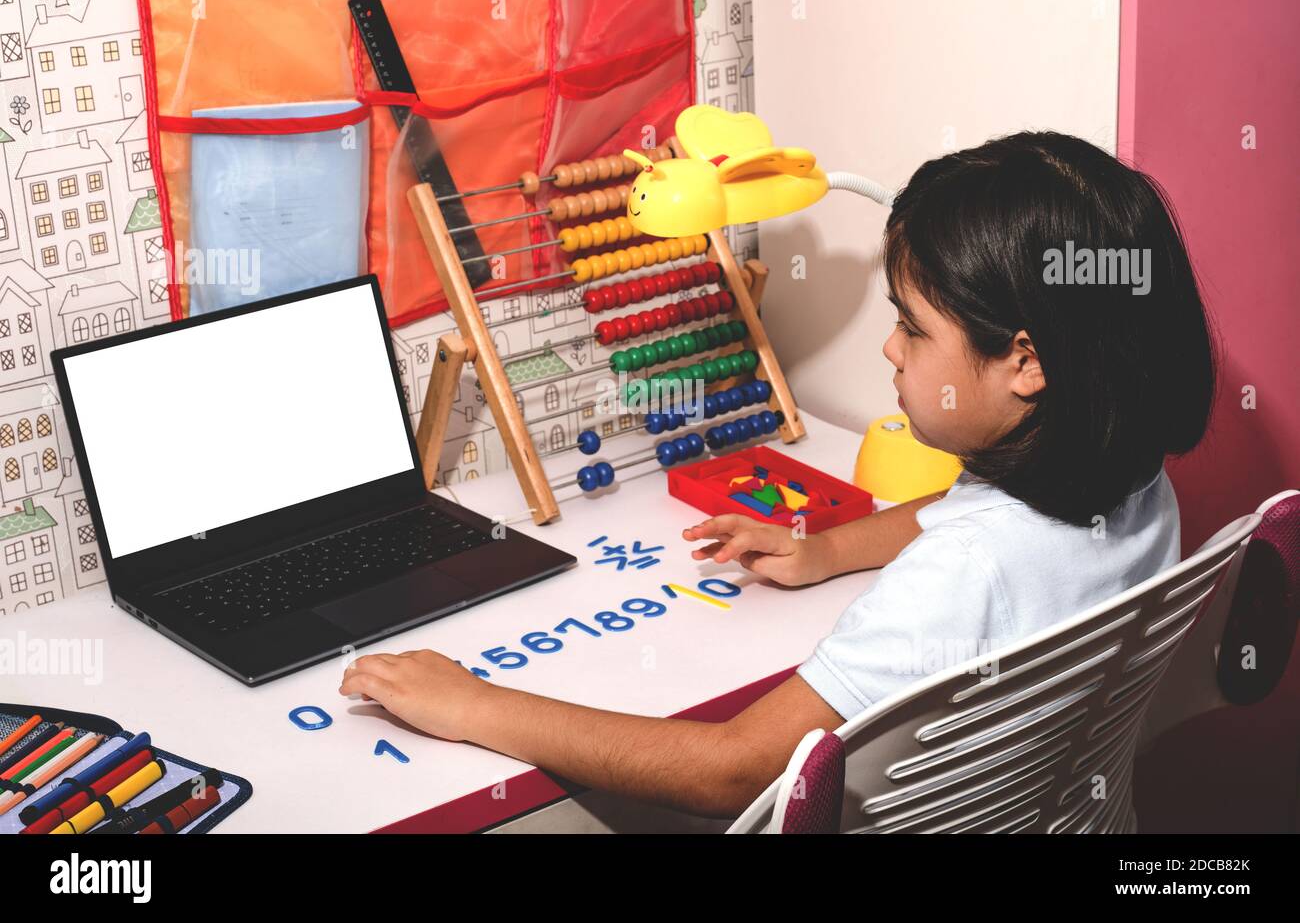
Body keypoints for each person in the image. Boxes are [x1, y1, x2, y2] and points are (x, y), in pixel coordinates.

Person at [339, 132, 1216, 819]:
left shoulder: (960, 581)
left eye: (911, 327)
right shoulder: (1132, 483)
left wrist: (476, 705)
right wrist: (827, 549)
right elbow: (963, 515)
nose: (889, 347)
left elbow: (729, 771)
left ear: (1025, 363)